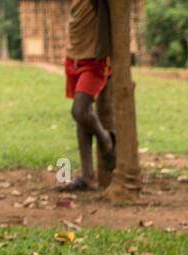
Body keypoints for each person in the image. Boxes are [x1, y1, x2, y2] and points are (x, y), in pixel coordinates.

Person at [58, 0, 115, 192]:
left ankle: (106, 139)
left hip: (94, 60)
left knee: (79, 111)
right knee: (82, 117)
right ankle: (88, 176)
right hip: (73, 57)